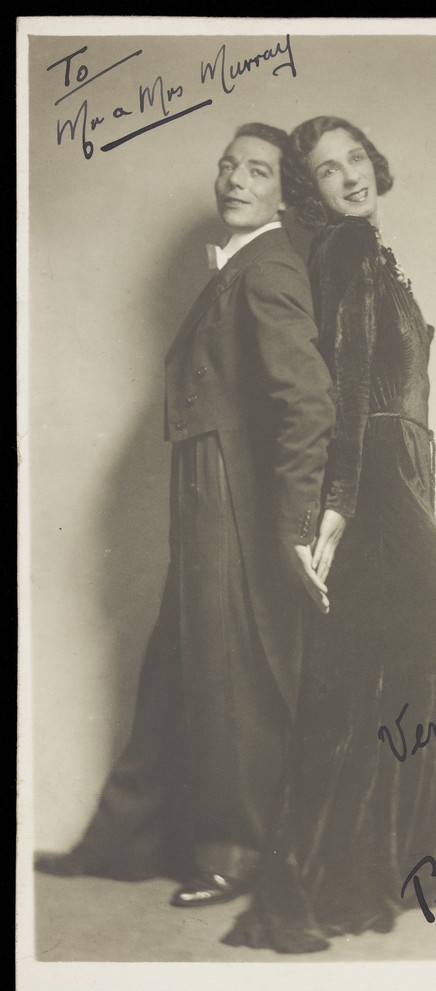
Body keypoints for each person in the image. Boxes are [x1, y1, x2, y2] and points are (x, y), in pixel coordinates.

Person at [35, 123, 335, 907]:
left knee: (226, 673)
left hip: (232, 492)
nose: (235, 180)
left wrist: (296, 525)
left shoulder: (269, 268)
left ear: (285, 194)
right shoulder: (240, 266)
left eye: (258, 171)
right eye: (229, 165)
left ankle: (235, 852)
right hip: (205, 485)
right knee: (176, 667)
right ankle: (125, 844)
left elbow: (309, 404)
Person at [223, 116, 436, 953]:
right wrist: (338, 501)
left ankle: (404, 864)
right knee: (374, 677)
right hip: (372, 480)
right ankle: (307, 886)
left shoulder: (372, 252)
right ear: (310, 192)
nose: (349, 177)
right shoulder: (346, 249)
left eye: (355, 159)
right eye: (325, 170)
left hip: (398, 475)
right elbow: (344, 383)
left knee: (397, 671)